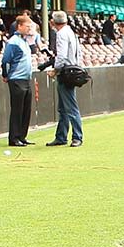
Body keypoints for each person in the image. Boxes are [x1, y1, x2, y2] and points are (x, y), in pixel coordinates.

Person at [48, 10, 84, 148]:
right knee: (63, 107)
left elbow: (61, 56)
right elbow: (78, 52)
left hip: (66, 72)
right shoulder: (71, 32)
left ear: (53, 22)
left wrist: (55, 70)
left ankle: (77, 136)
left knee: (70, 106)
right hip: (73, 69)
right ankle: (61, 136)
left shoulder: (61, 34)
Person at [2, 13, 36, 148]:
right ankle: (14, 137)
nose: (29, 29)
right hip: (17, 79)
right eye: (27, 26)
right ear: (19, 26)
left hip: (26, 79)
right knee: (17, 109)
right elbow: (5, 60)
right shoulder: (13, 42)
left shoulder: (24, 41)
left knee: (26, 109)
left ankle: (22, 136)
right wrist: (5, 74)